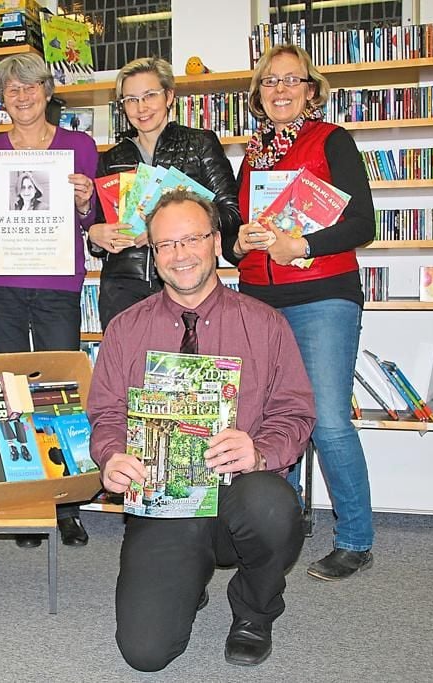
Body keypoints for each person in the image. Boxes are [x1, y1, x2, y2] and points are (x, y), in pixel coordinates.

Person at [87, 189, 314, 670]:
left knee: (274, 508)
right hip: (163, 499)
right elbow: (106, 413)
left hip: (240, 489)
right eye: (166, 245)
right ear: (152, 254)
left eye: (192, 239)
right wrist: (112, 457)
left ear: (215, 242)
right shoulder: (126, 328)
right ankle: (186, 581)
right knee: (145, 653)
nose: (180, 255)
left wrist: (258, 451)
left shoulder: (265, 323)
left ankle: (255, 609)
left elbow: (295, 412)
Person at [227, 44, 377, 581]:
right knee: (267, 421)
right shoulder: (251, 156)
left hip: (322, 294)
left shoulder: (333, 140)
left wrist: (305, 245)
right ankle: (278, 528)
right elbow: (233, 241)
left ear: (311, 90)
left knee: (330, 422)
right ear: (257, 95)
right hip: (257, 299)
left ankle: (356, 538)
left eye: (292, 80)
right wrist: (239, 244)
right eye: (270, 82)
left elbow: (363, 223)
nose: (281, 90)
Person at [0, 52, 98, 548]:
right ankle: (22, 499)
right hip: (0, 284)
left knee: (60, 388)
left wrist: (84, 201)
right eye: (12, 88)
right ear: (2, 97)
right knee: (8, 389)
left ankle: (65, 505)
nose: (23, 95)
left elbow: (89, 224)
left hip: (57, 282)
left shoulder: (79, 147)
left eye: (31, 86)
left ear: (48, 90)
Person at [88, 57, 240, 330]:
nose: (141, 107)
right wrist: (96, 237)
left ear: (169, 96)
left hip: (186, 280)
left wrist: (172, 232)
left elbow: (230, 214)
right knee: (128, 370)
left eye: (150, 96)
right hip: (123, 288)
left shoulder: (199, 143)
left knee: (185, 368)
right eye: (131, 99)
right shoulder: (111, 158)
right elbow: (101, 226)